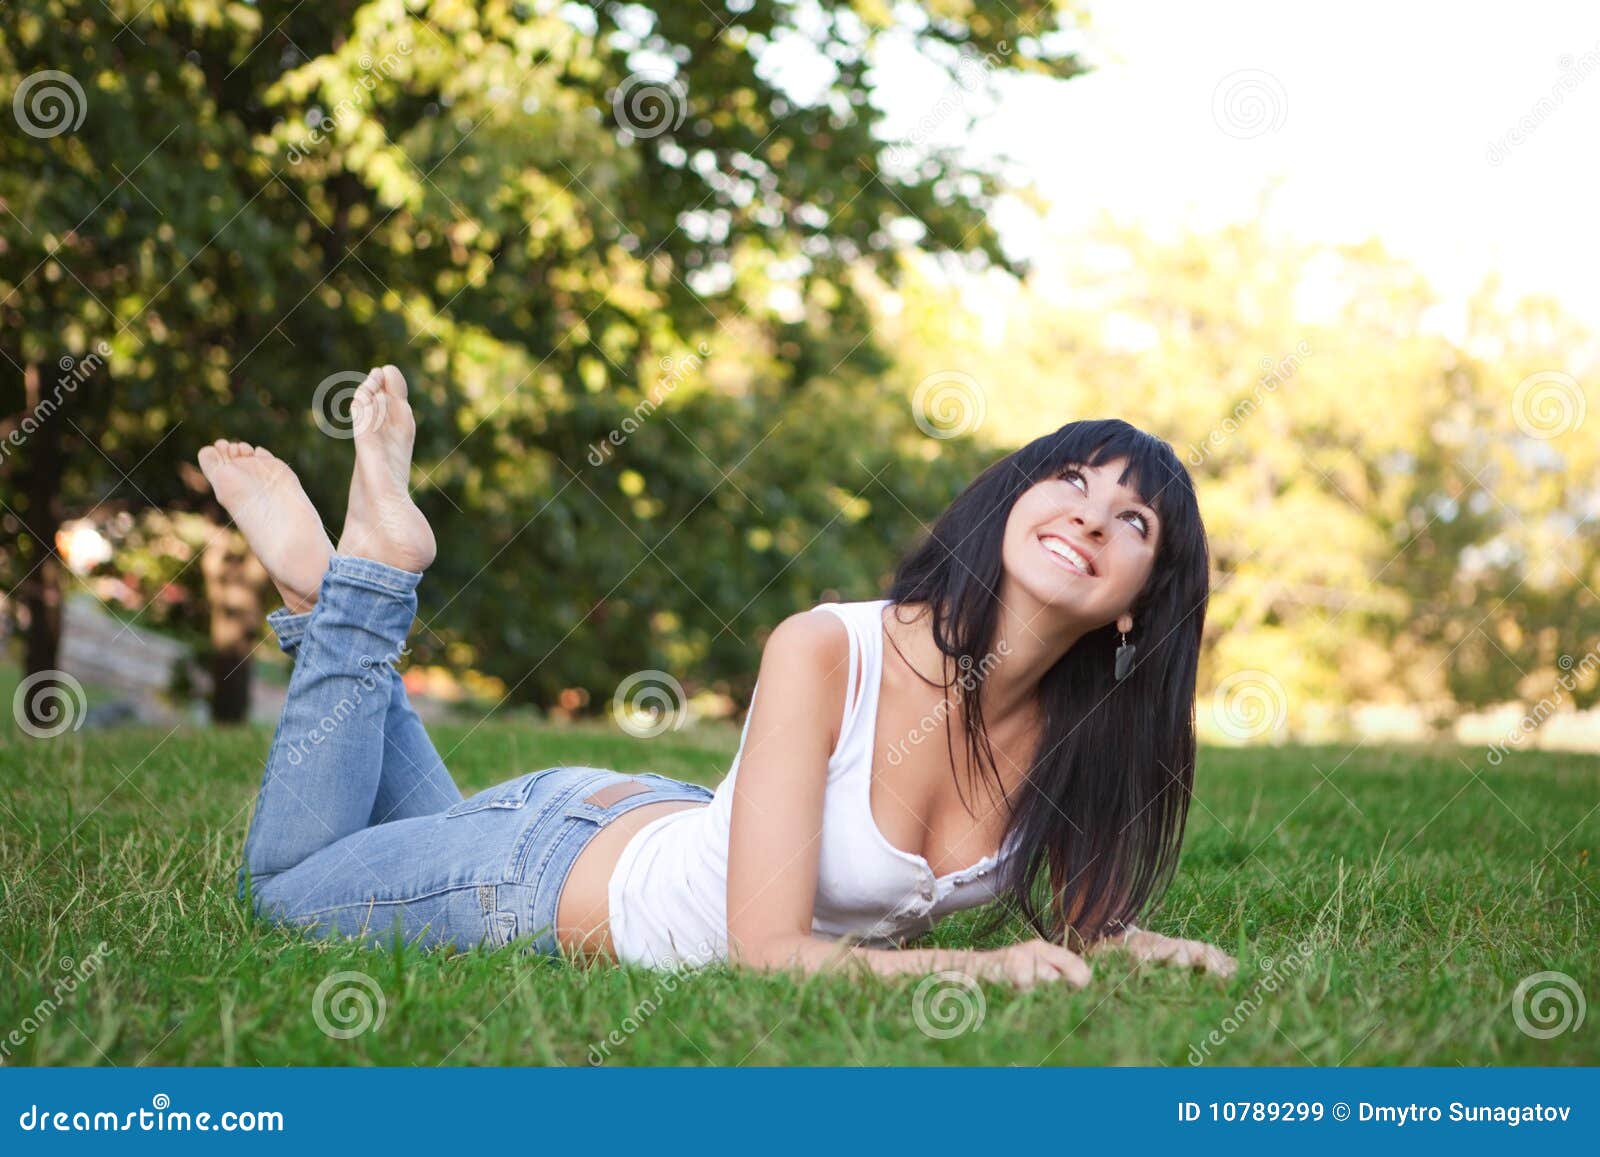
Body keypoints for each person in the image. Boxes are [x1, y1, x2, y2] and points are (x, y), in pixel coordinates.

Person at [200, 364, 1235, 991]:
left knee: (376, 839)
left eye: (1132, 518)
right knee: (286, 886)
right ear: (1013, 500)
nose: (1092, 514)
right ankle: (368, 581)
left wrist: (1131, 942)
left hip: (643, 819)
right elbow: (766, 949)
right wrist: (978, 967)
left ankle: (321, 593)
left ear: (1144, 594)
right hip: (537, 876)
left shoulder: (1081, 729)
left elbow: (1084, 919)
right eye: (1071, 479)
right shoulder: (832, 646)